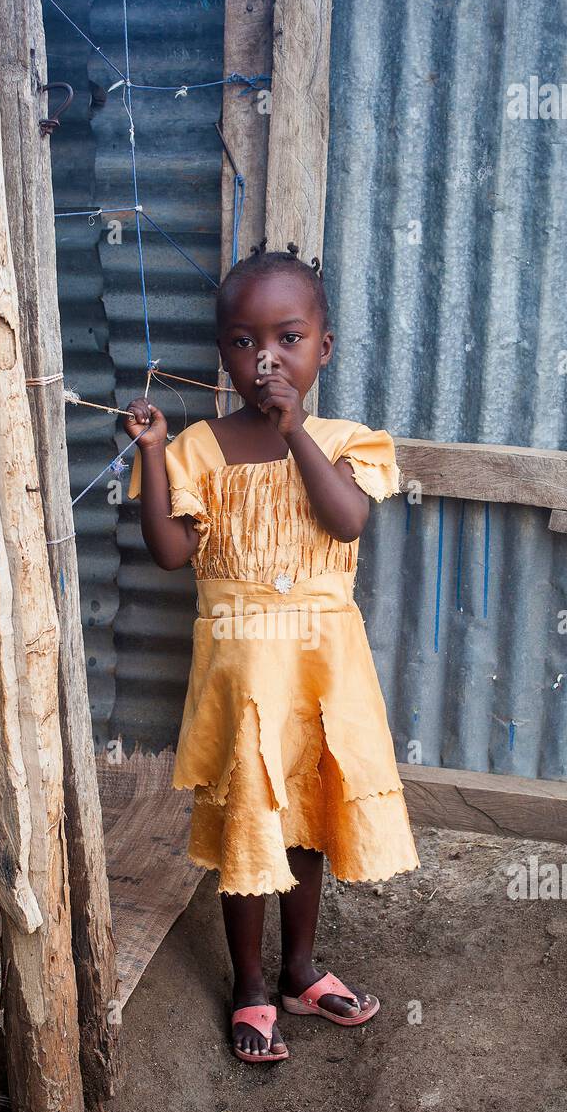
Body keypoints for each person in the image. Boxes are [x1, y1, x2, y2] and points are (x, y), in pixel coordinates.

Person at [125, 241, 420, 1064]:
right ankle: (249, 985)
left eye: (288, 338)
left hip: (321, 674)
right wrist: (152, 452)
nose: (266, 360)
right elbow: (170, 553)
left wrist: (295, 434)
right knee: (247, 825)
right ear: (222, 352)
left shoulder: (350, 440)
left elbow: (347, 521)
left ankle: (300, 971)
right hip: (241, 671)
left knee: (308, 820)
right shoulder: (200, 448)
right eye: (244, 342)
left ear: (324, 346)